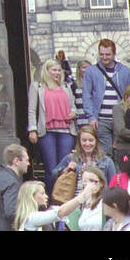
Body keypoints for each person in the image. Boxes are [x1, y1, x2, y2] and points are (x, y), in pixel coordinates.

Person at [27, 58, 77, 192]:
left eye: (59, 70)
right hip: (47, 132)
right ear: (46, 71)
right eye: (54, 70)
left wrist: (73, 113)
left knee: (64, 168)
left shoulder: (66, 87)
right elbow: (32, 110)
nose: (57, 73)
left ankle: (64, 199)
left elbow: (73, 106)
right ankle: (49, 199)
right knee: (51, 168)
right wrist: (32, 130)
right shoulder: (37, 86)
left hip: (66, 132)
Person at [82, 39, 130, 157]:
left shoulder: (124, 71)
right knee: (105, 153)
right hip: (100, 119)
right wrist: (91, 116)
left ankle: (119, 176)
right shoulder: (91, 71)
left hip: (120, 118)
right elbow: (86, 95)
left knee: (121, 152)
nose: (104, 57)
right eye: (101, 54)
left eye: (107, 54)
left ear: (114, 54)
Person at [50, 125, 117, 195]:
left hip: (98, 201)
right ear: (79, 141)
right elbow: (53, 174)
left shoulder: (106, 161)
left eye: (91, 140)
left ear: (96, 141)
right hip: (75, 201)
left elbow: (113, 186)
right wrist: (66, 169)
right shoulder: (71, 158)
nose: (87, 144)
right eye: (84, 140)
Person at [13, 179, 92, 230]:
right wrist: (83, 196)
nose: (46, 196)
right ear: (31, 197)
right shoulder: (30, 218)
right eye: (42, 193)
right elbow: (61, 212)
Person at [0, 144, 29, 232]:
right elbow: (12, 212)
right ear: (16, 161)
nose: (28, 163)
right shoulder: (13, 182)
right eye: (26, 160)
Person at [64, 165, 108, 231]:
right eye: (85, 181)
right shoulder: (82, 204)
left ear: (101, 183)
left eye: (93, 181)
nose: (89, 185)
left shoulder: (106, 202)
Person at [72, 59, 92, 129]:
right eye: (84, 67)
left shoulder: (95, 84)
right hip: (79, 119)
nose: (86, 70)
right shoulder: (74, 85)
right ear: (79, 69)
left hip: (92, 119)